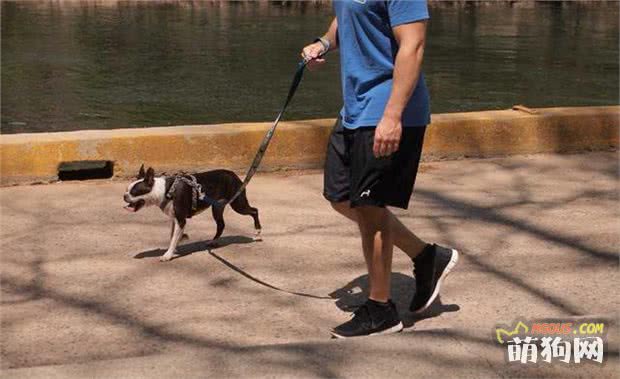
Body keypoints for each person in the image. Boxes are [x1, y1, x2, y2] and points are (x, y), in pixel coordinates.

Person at [301, 0, 459, 338]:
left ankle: (381, 309)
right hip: (354, 109)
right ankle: (427, 257)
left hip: (389, 109)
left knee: (370, 208)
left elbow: (413, 45)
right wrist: (324, 43)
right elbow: (346, 19)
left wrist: (392, 116)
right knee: (340, 196)